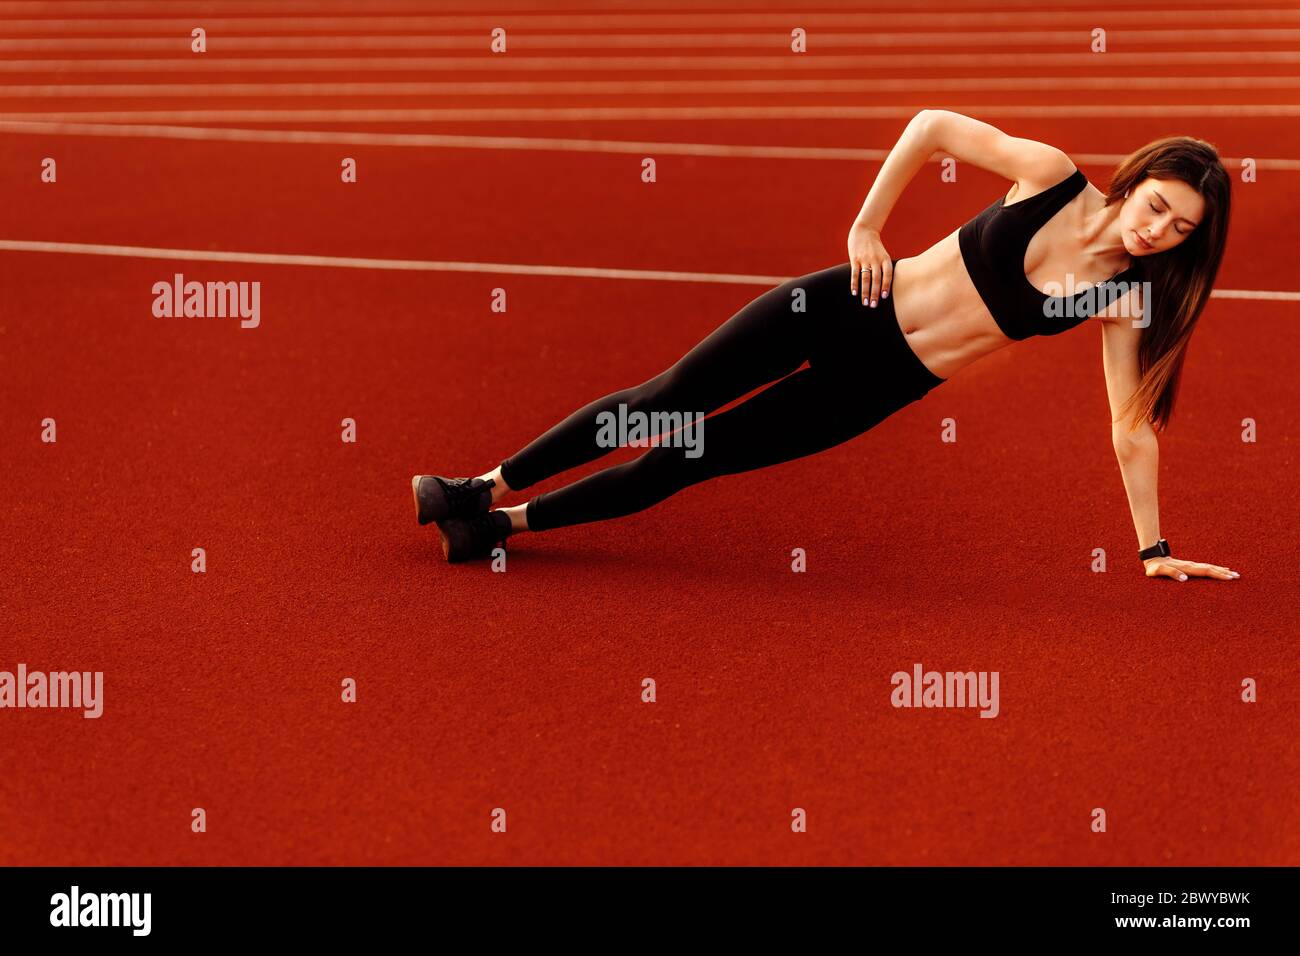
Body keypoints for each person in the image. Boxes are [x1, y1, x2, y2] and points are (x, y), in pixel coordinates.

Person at [412, 109, 1239, 583]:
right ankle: (477, 486)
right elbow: (932, 127)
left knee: (691, 460)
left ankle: (504, 527)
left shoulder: (1122, 298)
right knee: (661, 404)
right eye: (1159, 204)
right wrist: (866, 224)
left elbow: (1130, 425)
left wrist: (1152, 549)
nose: (1157, 229)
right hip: (840, 303)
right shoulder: (1052, 176)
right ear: (1138, 179)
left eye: (1179, 229)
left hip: (877, 385)